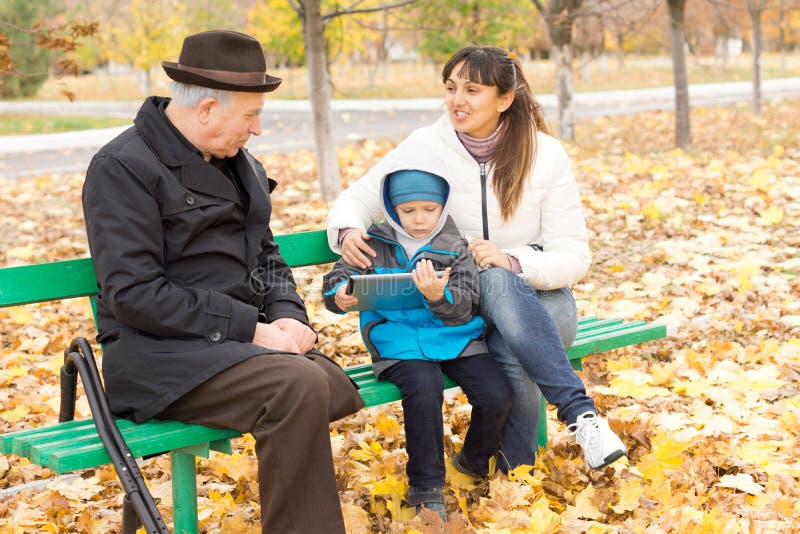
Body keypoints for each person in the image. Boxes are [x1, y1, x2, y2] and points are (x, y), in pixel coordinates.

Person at [82, 30, 364, 533]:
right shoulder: (123, 167)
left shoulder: (241, 164)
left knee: (326, 384)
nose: (258, 129)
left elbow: (267, 255)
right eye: (251, 115)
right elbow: (134, 294)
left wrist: (288, 315)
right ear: (208, 109)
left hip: (229, 348)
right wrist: (251, 329)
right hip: (158, 357)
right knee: (299, 385)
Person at [326, 45, 626, 471]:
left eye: (472, 90)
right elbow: (357, 198)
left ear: (504, 99)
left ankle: (514, 466)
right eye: (451, 88)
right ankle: (568, 427)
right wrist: (348, 229)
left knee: (504, 304)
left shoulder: (545, 155)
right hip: (461, 302)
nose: (457, 100)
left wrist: (513, 261)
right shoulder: (425, 146)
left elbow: (574, 255)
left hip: (543, 299)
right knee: (500, 316)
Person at [321, 161, 511, 519]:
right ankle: (426, 485)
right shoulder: (374, 243)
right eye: (408, 211)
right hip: (399, 343)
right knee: (424, 387)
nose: (420, 219)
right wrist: (339, 293)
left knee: (496, 393)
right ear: (393, 209)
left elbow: (466, 303)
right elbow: (338, 277)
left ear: (443, 208)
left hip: (455, 337)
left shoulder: (455, 246)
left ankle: (472, 459)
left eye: (429, 209)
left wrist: (438, 297)